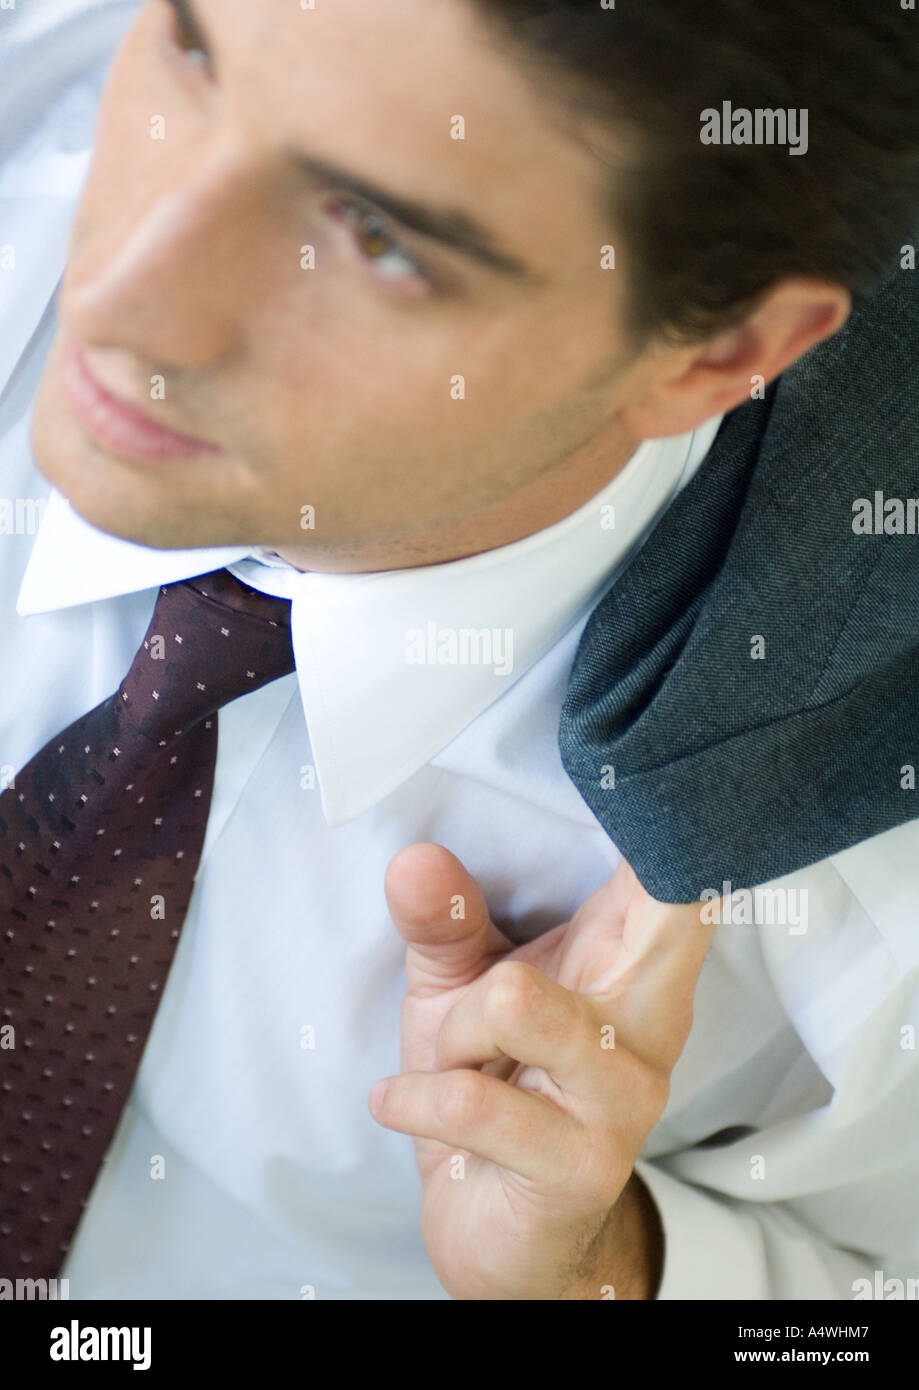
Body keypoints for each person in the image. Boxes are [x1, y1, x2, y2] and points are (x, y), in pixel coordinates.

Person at [0, 0, 917, 1300]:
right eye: (196, 51)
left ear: (720, 351)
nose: (127, 300)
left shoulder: (856, 902)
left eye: (376, 237)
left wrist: (607, 1272)